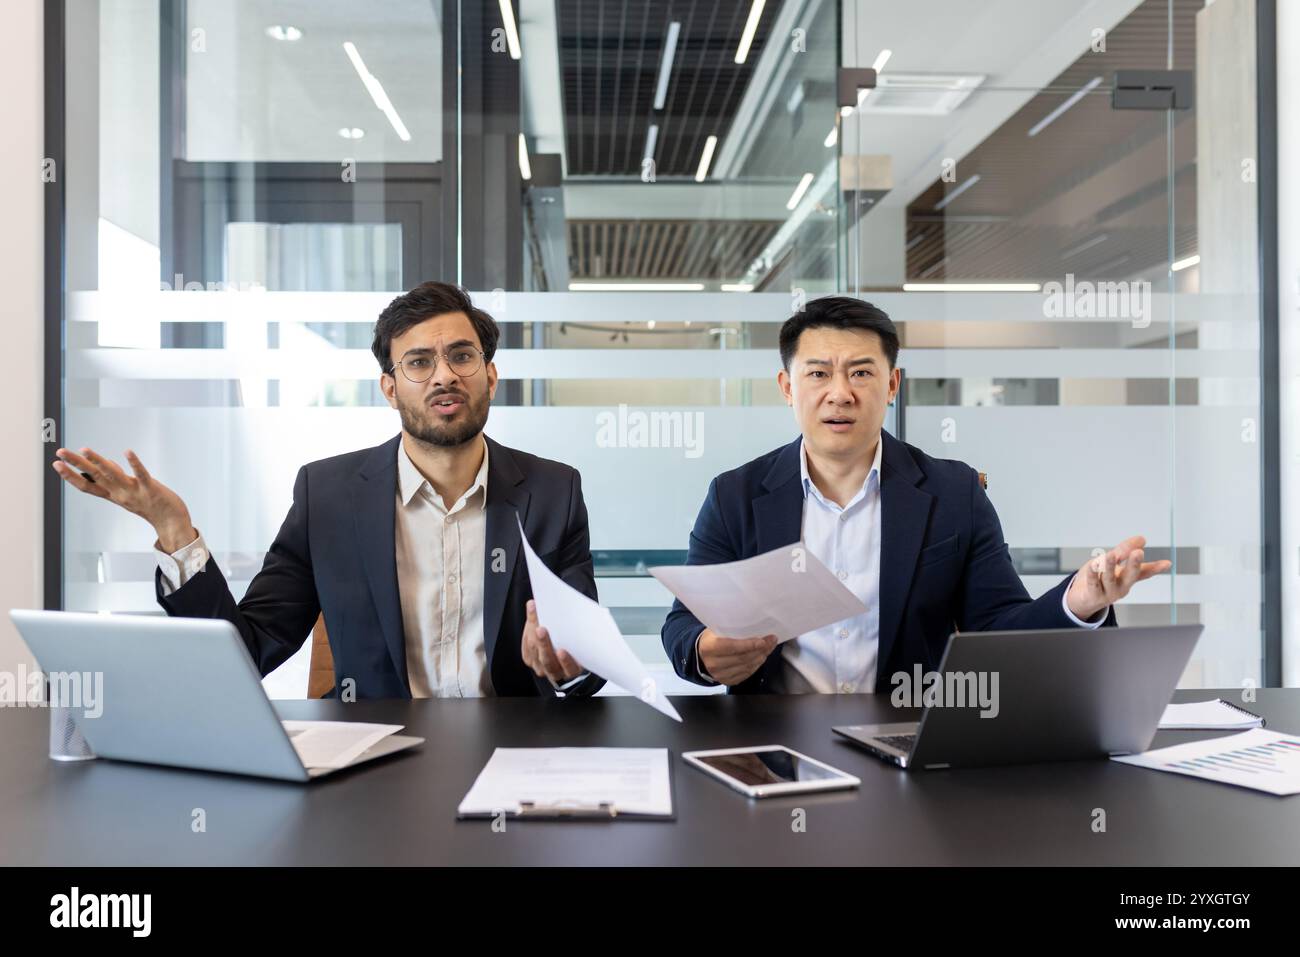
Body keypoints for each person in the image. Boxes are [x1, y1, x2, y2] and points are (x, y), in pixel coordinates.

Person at [54, 281, 604, 699]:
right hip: (382, 761)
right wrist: (175, 533)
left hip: (512, 755)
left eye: (462, 356)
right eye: (419, 362)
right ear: (390, 389)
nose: (444, 376)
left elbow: (586, 664)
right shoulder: (329, 496)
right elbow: (248, 651)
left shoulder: (553, 492)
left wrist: (570, 665)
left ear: (490, 376)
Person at [661, 296, 1170, 693]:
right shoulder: (735, 495)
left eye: (861, 372)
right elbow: (686, 623)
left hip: (906, 745)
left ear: (892, 385)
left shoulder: (954, 493)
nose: (840, 393)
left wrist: (1078, 602)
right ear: (788, 387)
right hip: (774, 746)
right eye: (818, 373)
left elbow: (997, 629)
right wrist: (704, 651)